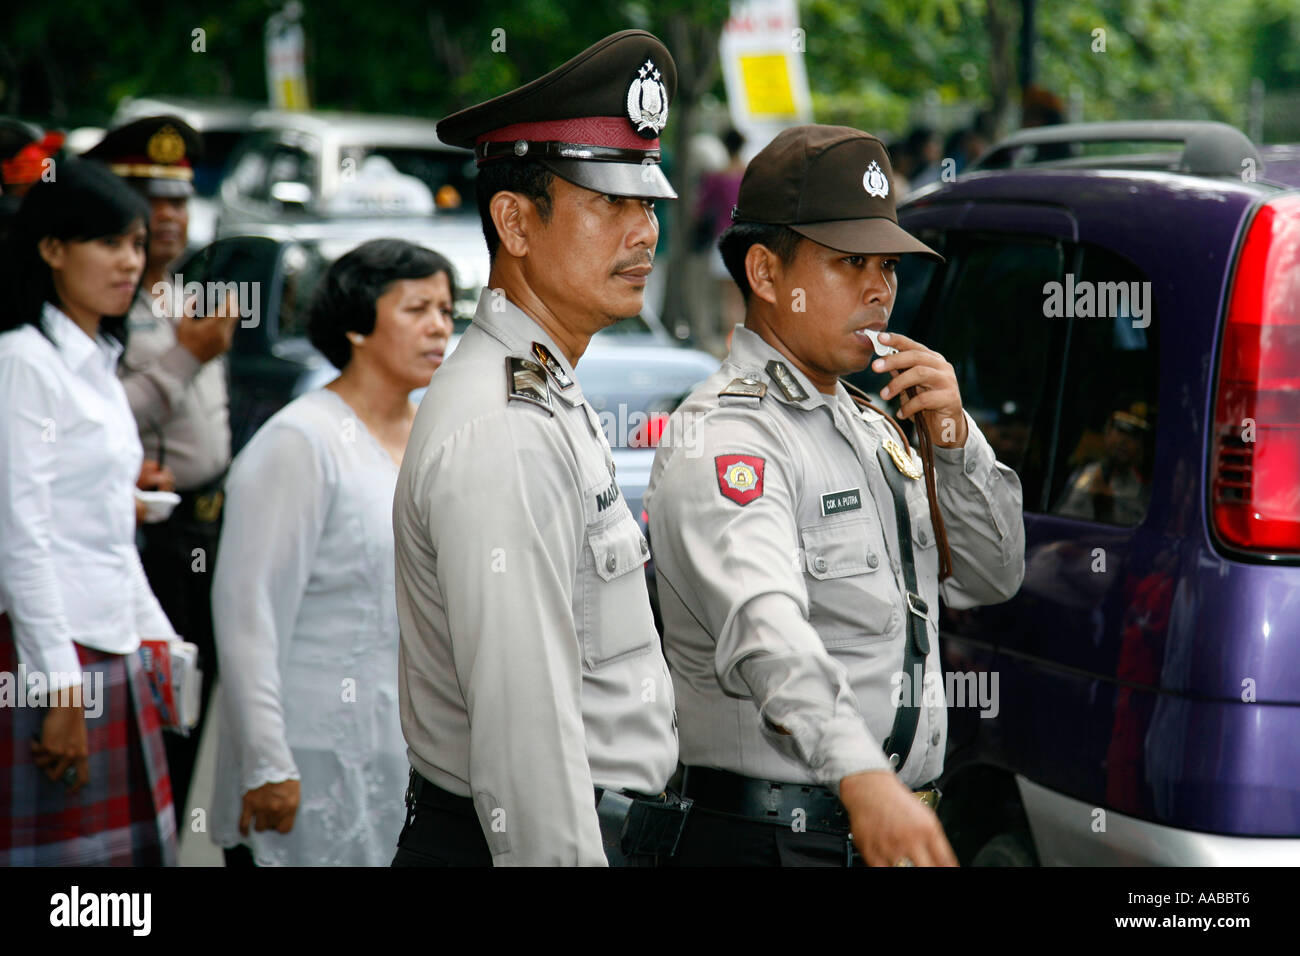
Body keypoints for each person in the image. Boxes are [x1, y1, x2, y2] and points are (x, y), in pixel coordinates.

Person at [644, 125, 1027, 867]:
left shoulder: (873, 420)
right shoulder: (729, 436)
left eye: (885, 265)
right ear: (763, 270)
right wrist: (865, 777)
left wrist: (955, 441)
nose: (879, 288)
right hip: (775, 838)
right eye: (850, 262)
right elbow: (766, 631)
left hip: (876, 828)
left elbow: (993, 575)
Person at [391, 29, 685, 867]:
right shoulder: (504, 426)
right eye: (609, 203)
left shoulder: (540, 386)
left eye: (649, 205)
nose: (643, 233)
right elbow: (526, 746)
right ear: (514, 222)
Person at [209, 239, 455, 866]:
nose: (439, 326)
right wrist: (266, 761)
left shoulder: (436, 436)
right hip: (308, 754)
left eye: (448, 310)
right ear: (356, 325)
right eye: (416, 308)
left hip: (406, 757)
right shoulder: (301, 439)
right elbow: (246, 611)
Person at [0, 157, 181, 865]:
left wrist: (156, 635)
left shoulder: (98, 360)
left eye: (137, 245)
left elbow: (107, 532)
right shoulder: (24, 361)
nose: (129, 262)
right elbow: (21, 536)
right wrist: (58, 687)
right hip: (55, 651)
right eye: (109, 243)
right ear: (52, 249)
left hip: (109, 644)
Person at [84, 116, 235, 817]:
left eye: (179, 199)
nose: (169, 217)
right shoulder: (100, 303)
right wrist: (184, 359)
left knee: (190, 718)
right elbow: (94, 420)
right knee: (141, 734)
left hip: (209, 530)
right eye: (151, 199)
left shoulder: (183, 291)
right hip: (149, 539)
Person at [694, 127, 746, 350]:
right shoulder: (749, 175)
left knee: (728, 299)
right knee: (744, 297)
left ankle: (730, 345)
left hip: (723, 240)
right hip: (747, 239)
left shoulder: (716, 177)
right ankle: (744, 344)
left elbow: (701, 209)